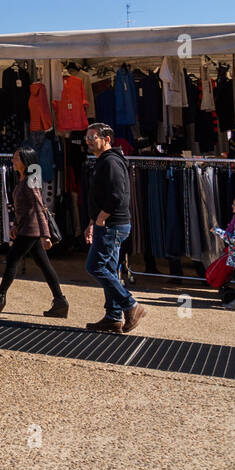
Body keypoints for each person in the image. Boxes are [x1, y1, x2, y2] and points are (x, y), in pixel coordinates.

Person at [0, 147, 68, 317]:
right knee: (44, 265)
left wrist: (46, 235)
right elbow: (24, 209)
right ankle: (60, 301)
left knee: (12, 259)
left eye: (16, 159)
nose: (13, 161)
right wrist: (15, 226)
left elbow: (40, 208)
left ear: (26, 161)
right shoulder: (23, 179)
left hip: (31, 230)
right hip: (26, 228)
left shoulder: (31, 181)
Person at [83, 122, 145, 333]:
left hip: (112, 225)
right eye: (87, 137)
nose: (89, 141)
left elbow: (118, 195)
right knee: (108, 269)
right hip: (108, 224)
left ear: (106, 139)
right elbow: (100, 196)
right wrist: (93, 222)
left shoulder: (111, 162)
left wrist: (101, 218)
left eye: (93, 137)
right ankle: (113, 316)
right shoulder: (104, 161)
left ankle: (130, 305)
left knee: (95, 266)